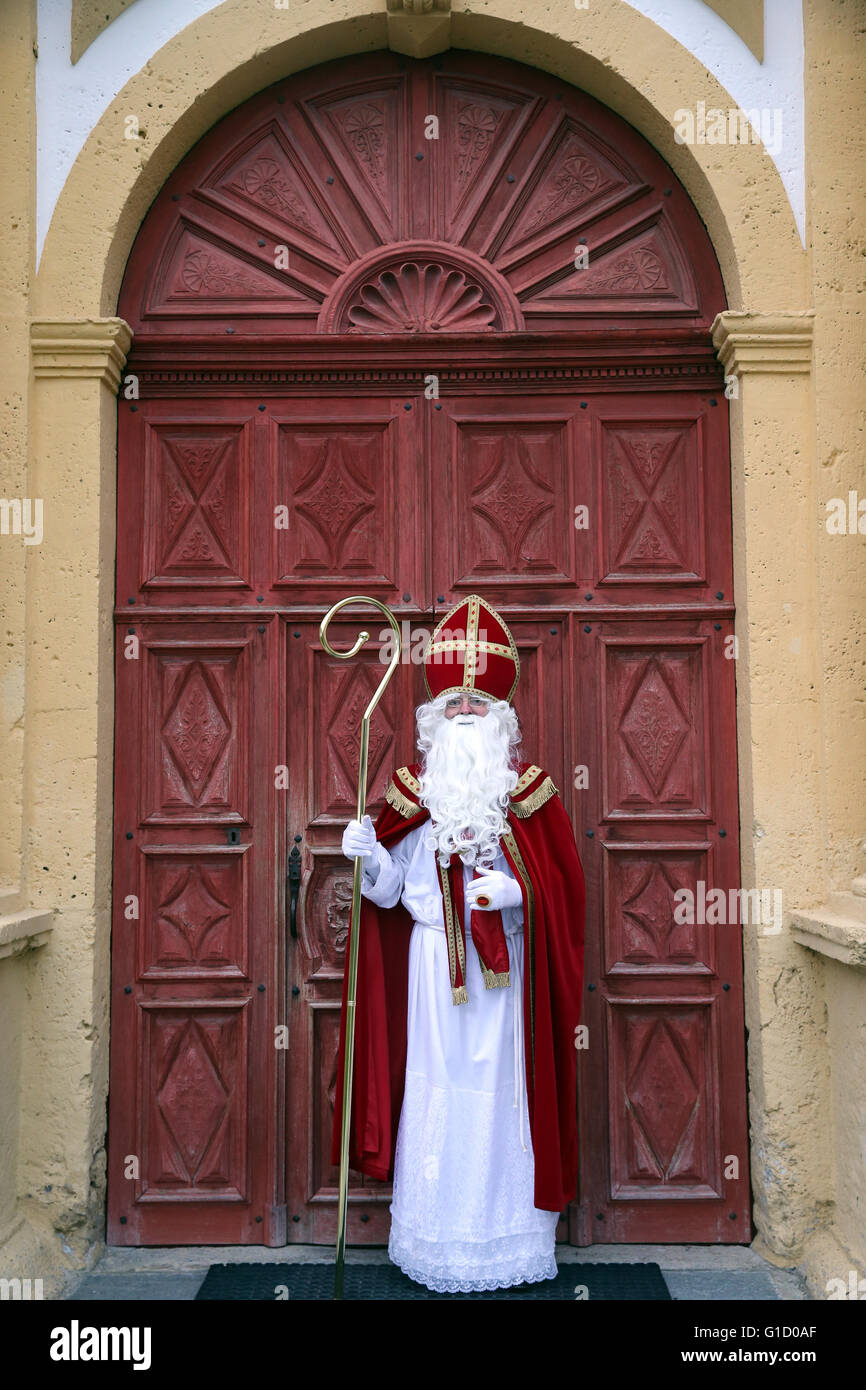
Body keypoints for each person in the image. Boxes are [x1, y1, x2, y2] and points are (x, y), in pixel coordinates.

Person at [332, 594, 586, 1292]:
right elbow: (387, 895)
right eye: (455, 706)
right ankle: (438, 1238)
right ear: (434, 720)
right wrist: (368, 855)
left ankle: (503, 1243)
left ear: (501, 722)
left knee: (500, 1094)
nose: (466, 714)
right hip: (430, 968)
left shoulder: (529, 794)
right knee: (436, 1092)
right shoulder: (415, 793)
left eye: (479, 707)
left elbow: (564, 895)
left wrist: (518, 894)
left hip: (506, 982)